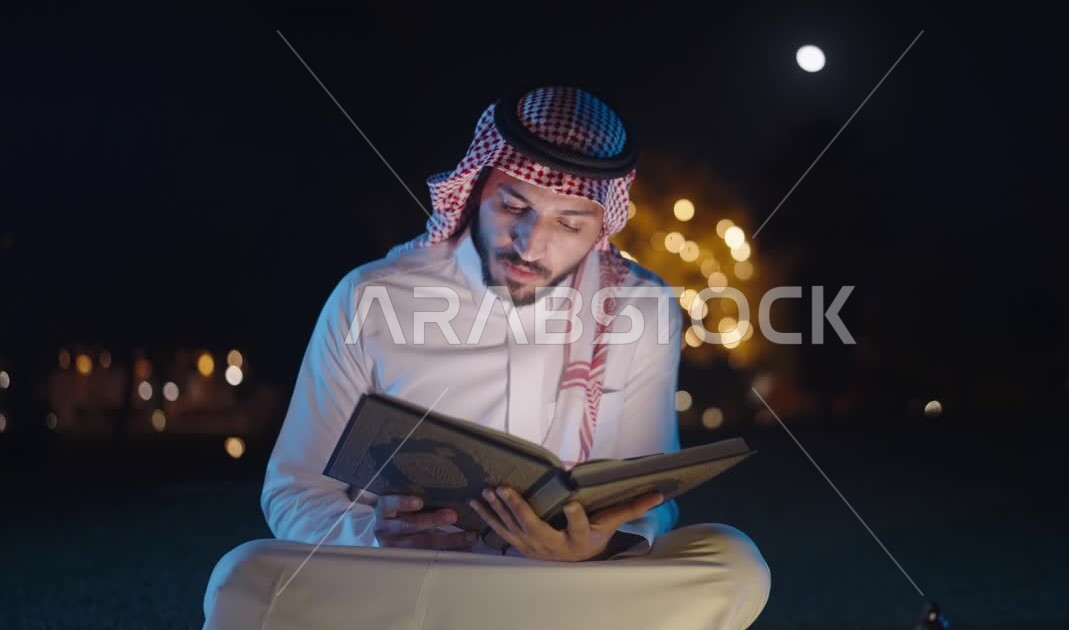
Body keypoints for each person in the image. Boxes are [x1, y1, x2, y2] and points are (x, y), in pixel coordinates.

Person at [202, 85, 770, 629]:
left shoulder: (640, 305)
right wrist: (374, 535)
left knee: (733, 562)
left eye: (569, 223)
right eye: (513, 206)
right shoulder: (370, 297)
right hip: (407, 577)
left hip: (561, 583)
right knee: (245, 576)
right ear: (475, 189)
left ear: (603, 224)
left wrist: (603, 543)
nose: (530, 243)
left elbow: (650, 492)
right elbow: (293, 489)